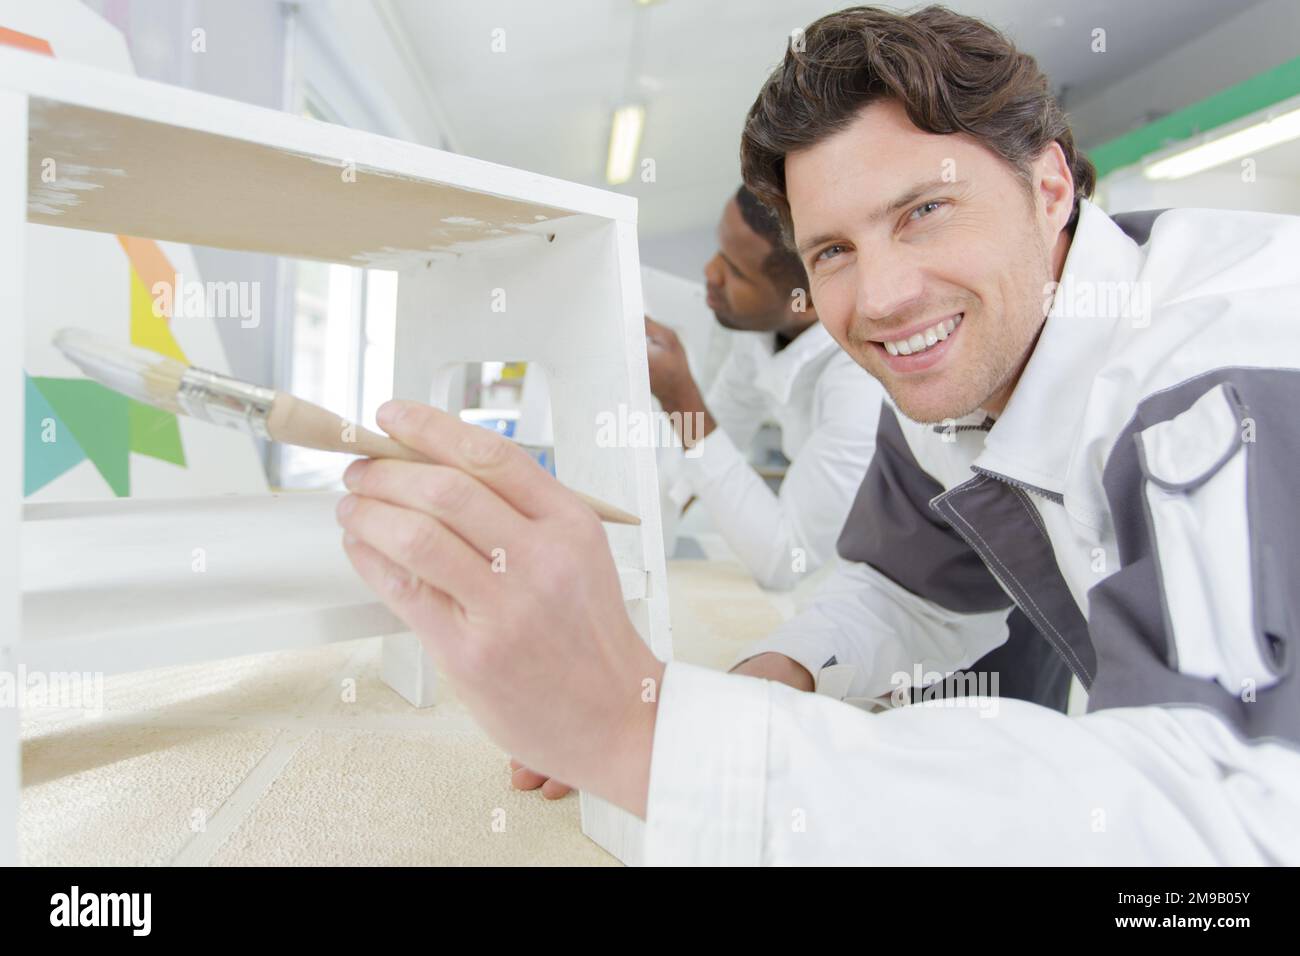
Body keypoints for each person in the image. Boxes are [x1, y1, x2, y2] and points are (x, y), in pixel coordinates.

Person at [335, 5, 1300, 863]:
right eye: (834, 249)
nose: (879, 299)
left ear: (1050, 188)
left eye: (925, 211)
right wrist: (770, 680)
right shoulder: (955, 378)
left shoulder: (1220, 377)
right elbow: (904, 592)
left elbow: (1236, 833)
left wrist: (642, 738)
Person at [645, 185, 882, 591]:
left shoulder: (864, 383)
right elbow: (717, 433)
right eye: (719, 251)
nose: (710, 273)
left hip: (946, 619)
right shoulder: (758, 332)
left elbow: (789, 560)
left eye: (736, 271)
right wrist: (651, 529)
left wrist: (677, 396)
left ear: (805, 301)